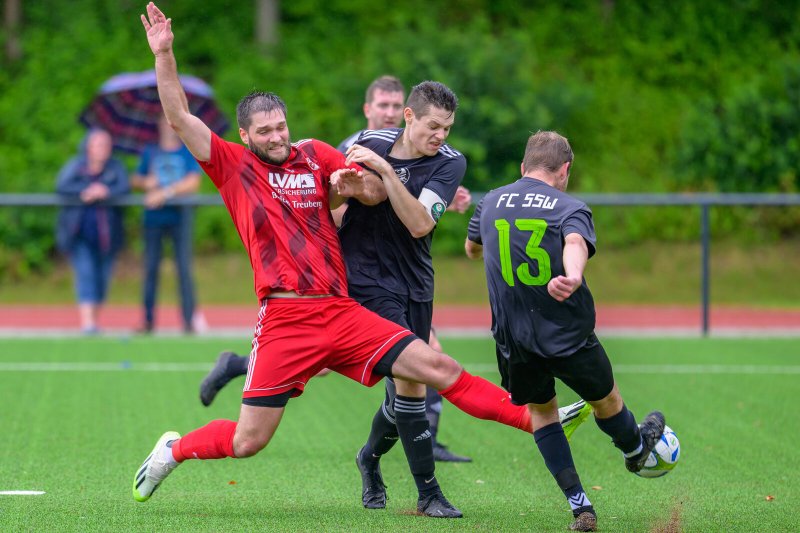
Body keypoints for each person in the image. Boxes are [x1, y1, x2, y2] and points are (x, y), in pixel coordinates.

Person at [133, 4, 589, 518]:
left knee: (436, 365)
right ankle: (172, 451)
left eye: (281, 126)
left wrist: (359, 185)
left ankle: (539, 421)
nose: (277, 136)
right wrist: (165, 53)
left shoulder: (315, 153)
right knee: (247, 441)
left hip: (342, 309)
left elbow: (371, 189)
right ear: (245, 136)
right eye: (265, 132)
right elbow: (178, 115)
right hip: (285, 318)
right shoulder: (231, 166)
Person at [199, 75, 475, 465]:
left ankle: (240, 365)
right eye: (383, 106)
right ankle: (417, 451)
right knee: (424, 359)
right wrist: (343, 197)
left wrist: (443, 198)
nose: (390, 113)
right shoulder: (357, 147)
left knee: (331, 363)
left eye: (395, 106)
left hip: (406, 278)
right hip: (358, 275)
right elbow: (328, 205)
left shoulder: (439, 157)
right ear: (368, 110)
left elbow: (416, 200)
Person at [464, 130, 667, 532]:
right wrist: (572, 275)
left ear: (524, 167)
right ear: (565, 170)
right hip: (567, 330)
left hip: (513, 337)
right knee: (606, 400)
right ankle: (635, 448)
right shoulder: (570, 205)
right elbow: (574, 241)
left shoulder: (490, 201)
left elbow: (473, 249)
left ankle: (580, 505)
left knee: (542, 412)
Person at [130, 114, 202, 333]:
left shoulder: (186, 151)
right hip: (153, 219)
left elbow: (193, 182)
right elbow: (135, 179)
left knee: (183, 268)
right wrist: (145, 182)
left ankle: (189, 321)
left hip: (180, 217)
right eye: (165, 123)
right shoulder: (150, 152)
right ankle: (148, 320)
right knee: (150, 268)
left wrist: (167, 192)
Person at [55, 128, 129, 334]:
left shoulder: (115, 168)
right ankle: (87, 323)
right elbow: (61, 186)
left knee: (102, 278)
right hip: (80, 234)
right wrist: (84, 192)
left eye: (106, 145)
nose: (103, 149)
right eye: (98, 144)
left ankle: (94, 320)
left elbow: (124, 188)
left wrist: (105, 192)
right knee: (86, 274)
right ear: (88, 147)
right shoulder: (76, 167)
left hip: (107, 235)